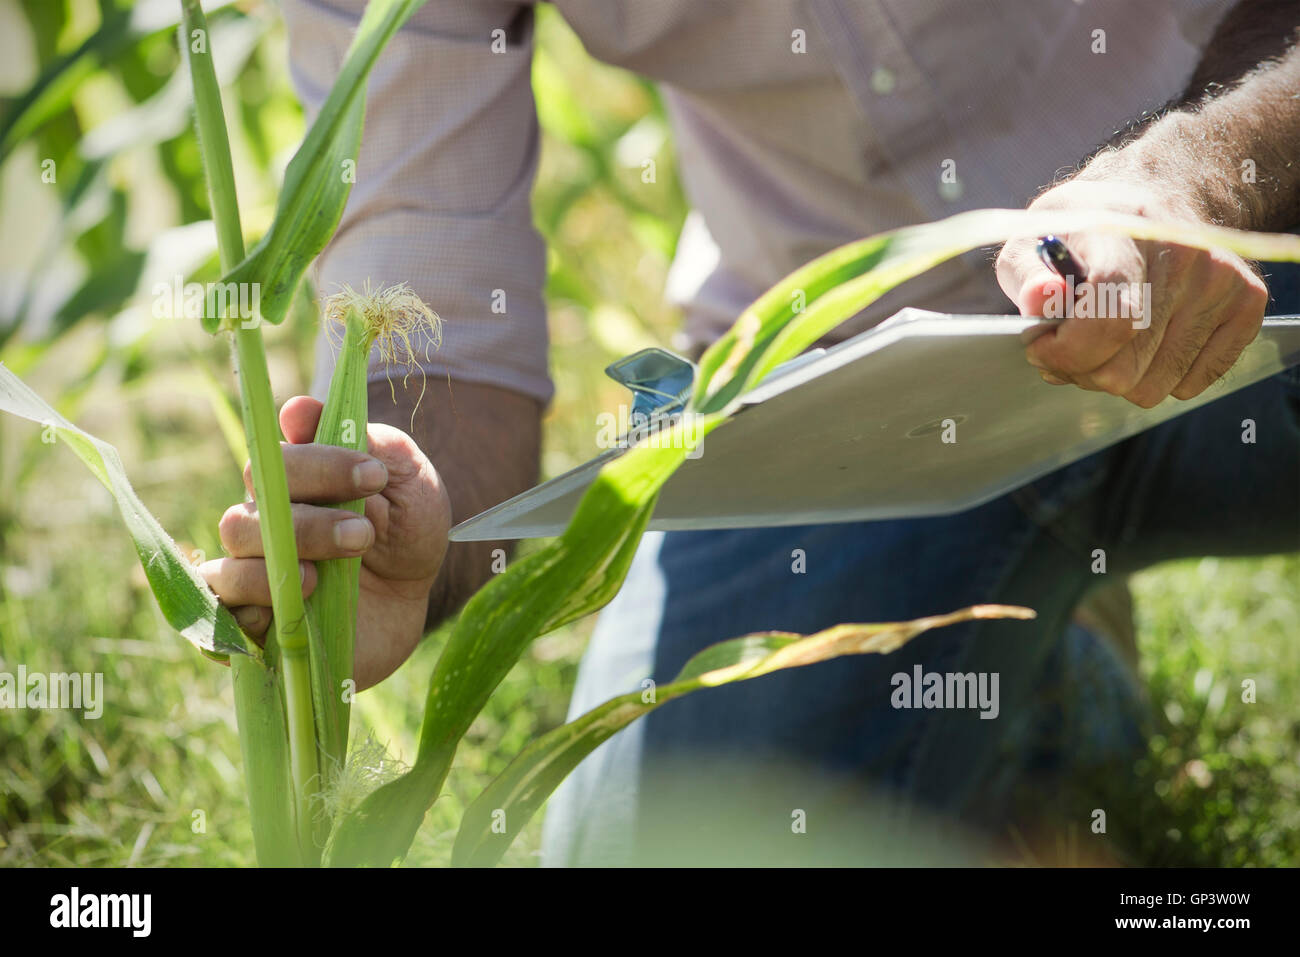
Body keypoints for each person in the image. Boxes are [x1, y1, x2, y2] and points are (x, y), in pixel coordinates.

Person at [201, 0, 1300, 864]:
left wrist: (1188, 180)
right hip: (856, 415)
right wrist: (407, 518)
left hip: (1251, 251)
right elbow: (445, 341)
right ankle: (1033, 683)